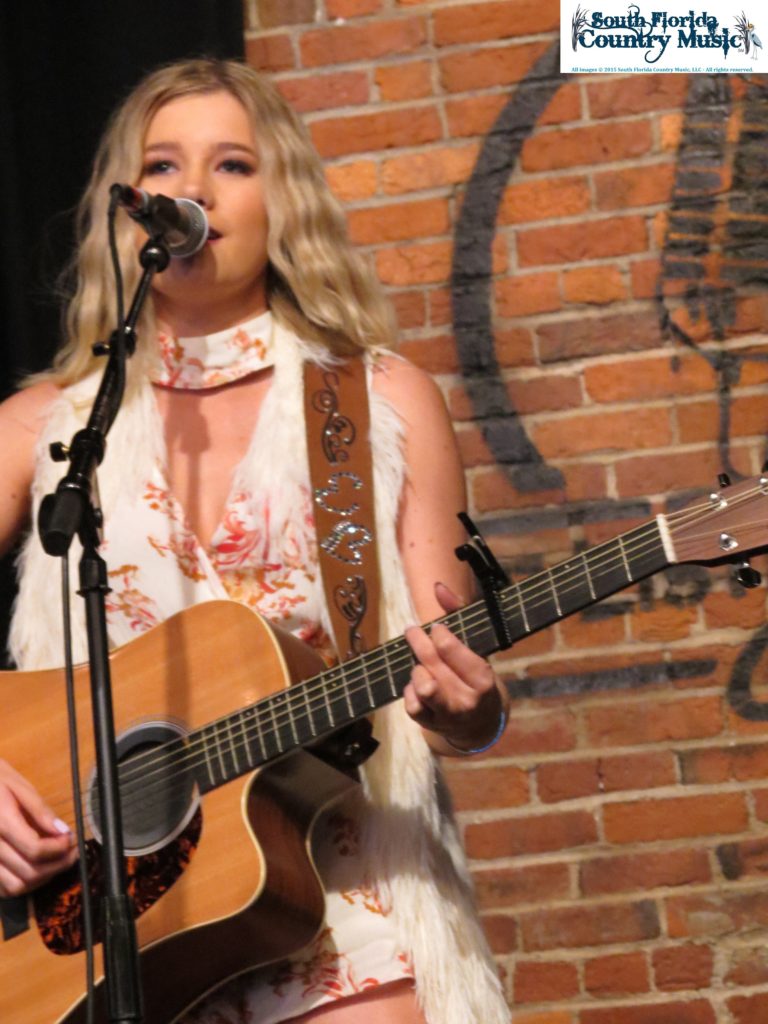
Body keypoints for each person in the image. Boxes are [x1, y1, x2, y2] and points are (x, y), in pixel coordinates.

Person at [0, 59, 511, 1024]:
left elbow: (455, 678)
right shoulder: (45, 426)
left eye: (232, 164)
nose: (192, 188)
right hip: (104, 935)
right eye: (162, 166)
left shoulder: (376, 402)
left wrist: (470, 712)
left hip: (343, 898)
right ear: (130, 205)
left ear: (286, 202)